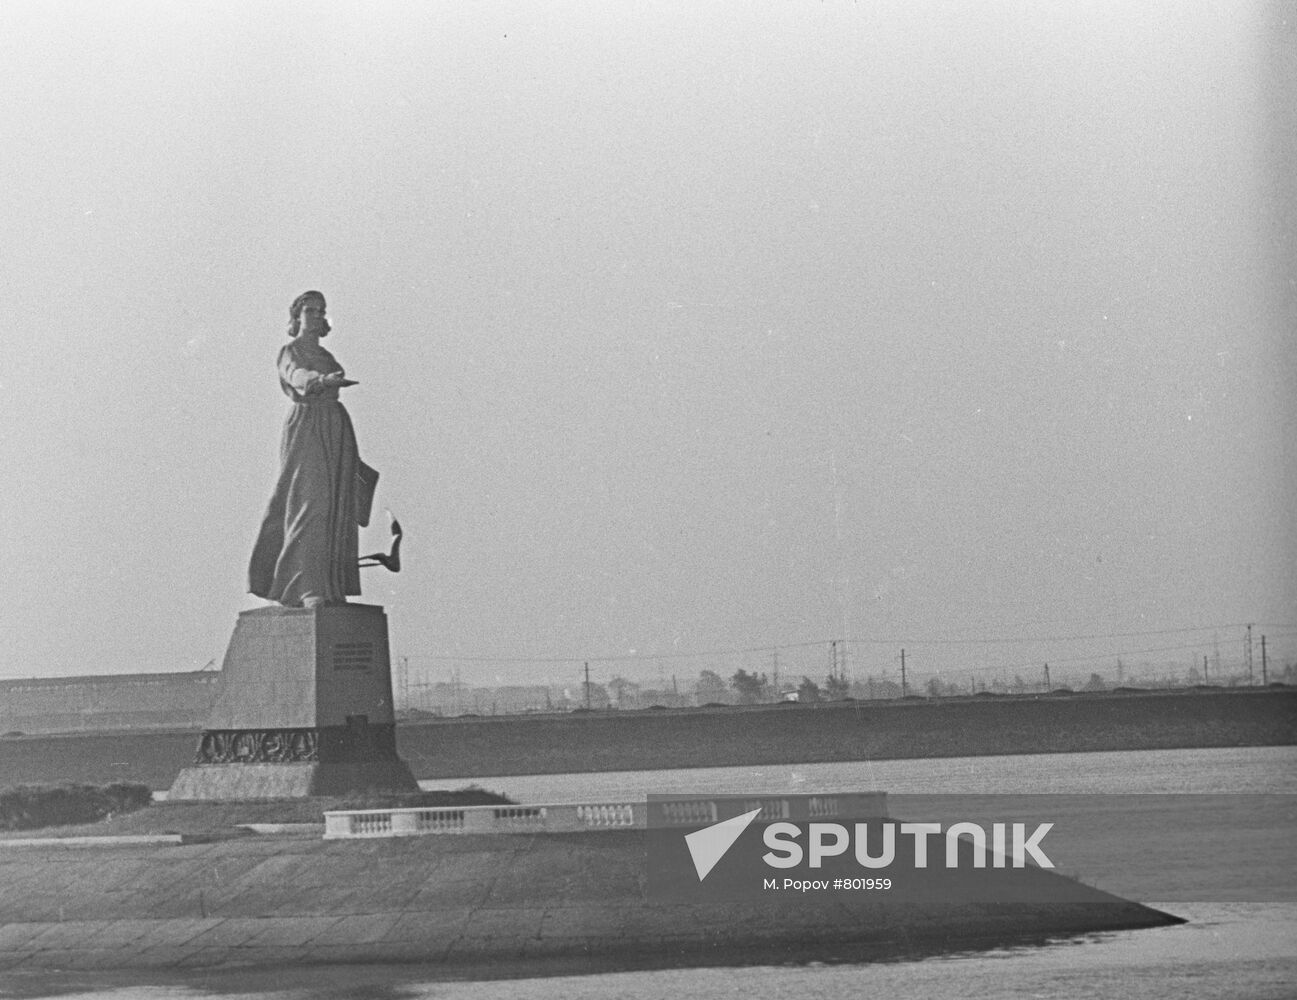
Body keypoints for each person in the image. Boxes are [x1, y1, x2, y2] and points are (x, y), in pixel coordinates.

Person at [248, 291, 378, 608]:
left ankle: (327, 584)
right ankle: (303, 585)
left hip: (335, 426)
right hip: (307, 425)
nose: (317, 315)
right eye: (310, 310)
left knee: (334, 505)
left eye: (321, 311)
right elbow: (296, 375)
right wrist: (320, 380)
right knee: (309, 502)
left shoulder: (328, 357)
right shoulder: (290, 351)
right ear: (297, 316)